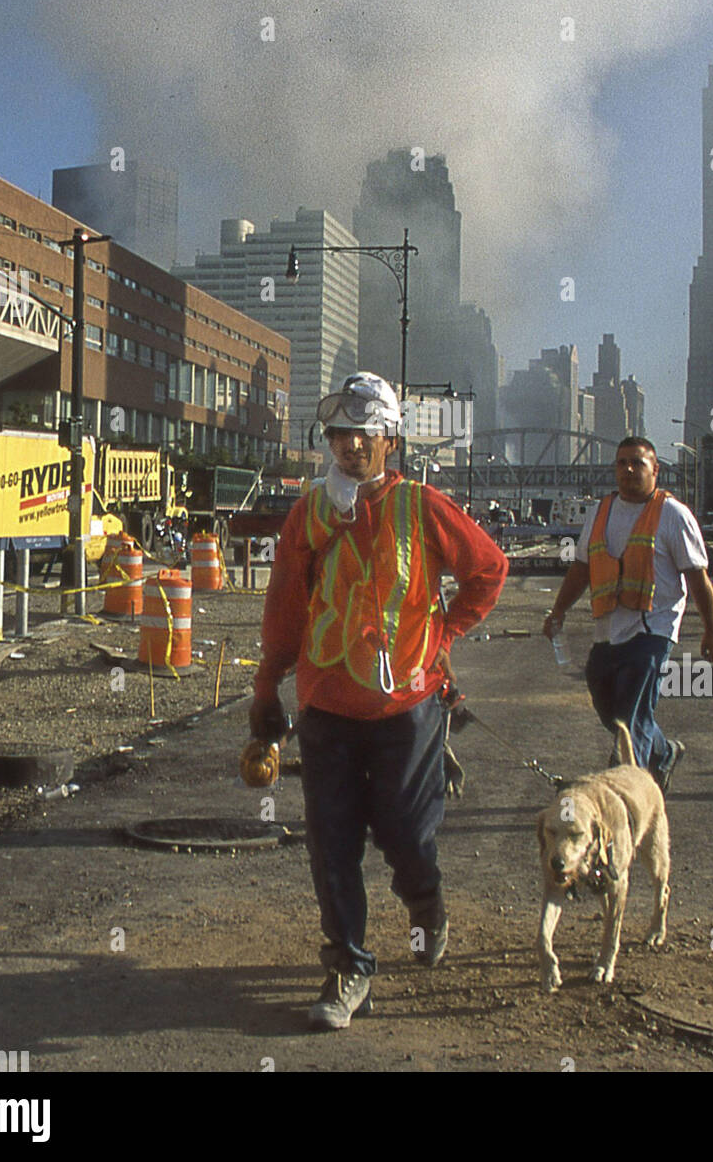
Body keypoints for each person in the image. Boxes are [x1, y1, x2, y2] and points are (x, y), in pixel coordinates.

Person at [250, 371, 508, 1031]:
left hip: (410, 706)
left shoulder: (421, 505)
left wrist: (444, 633)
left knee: (404, 832)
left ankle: (424, 900)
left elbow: (488, 568)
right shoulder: (308, 513)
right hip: (327, 706)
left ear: (388, 439)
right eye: (340, 434)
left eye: (364, 434)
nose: (351, 446)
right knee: (331, 842)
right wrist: (266, 684)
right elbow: (284, 605)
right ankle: (348, 966)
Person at [542, 436, 713, 790]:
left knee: (630, 716)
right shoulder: (601, 510)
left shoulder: (672, 514)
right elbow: (581, 568)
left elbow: (697, 577)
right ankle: (663, 752)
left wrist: (711, 629)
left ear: (655, 470)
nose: (628, 470)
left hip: (653, 629)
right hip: (608, 631)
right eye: (621, 462)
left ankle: (626, 793)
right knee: (610, 708)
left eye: (637, 463)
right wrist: (558, 612)